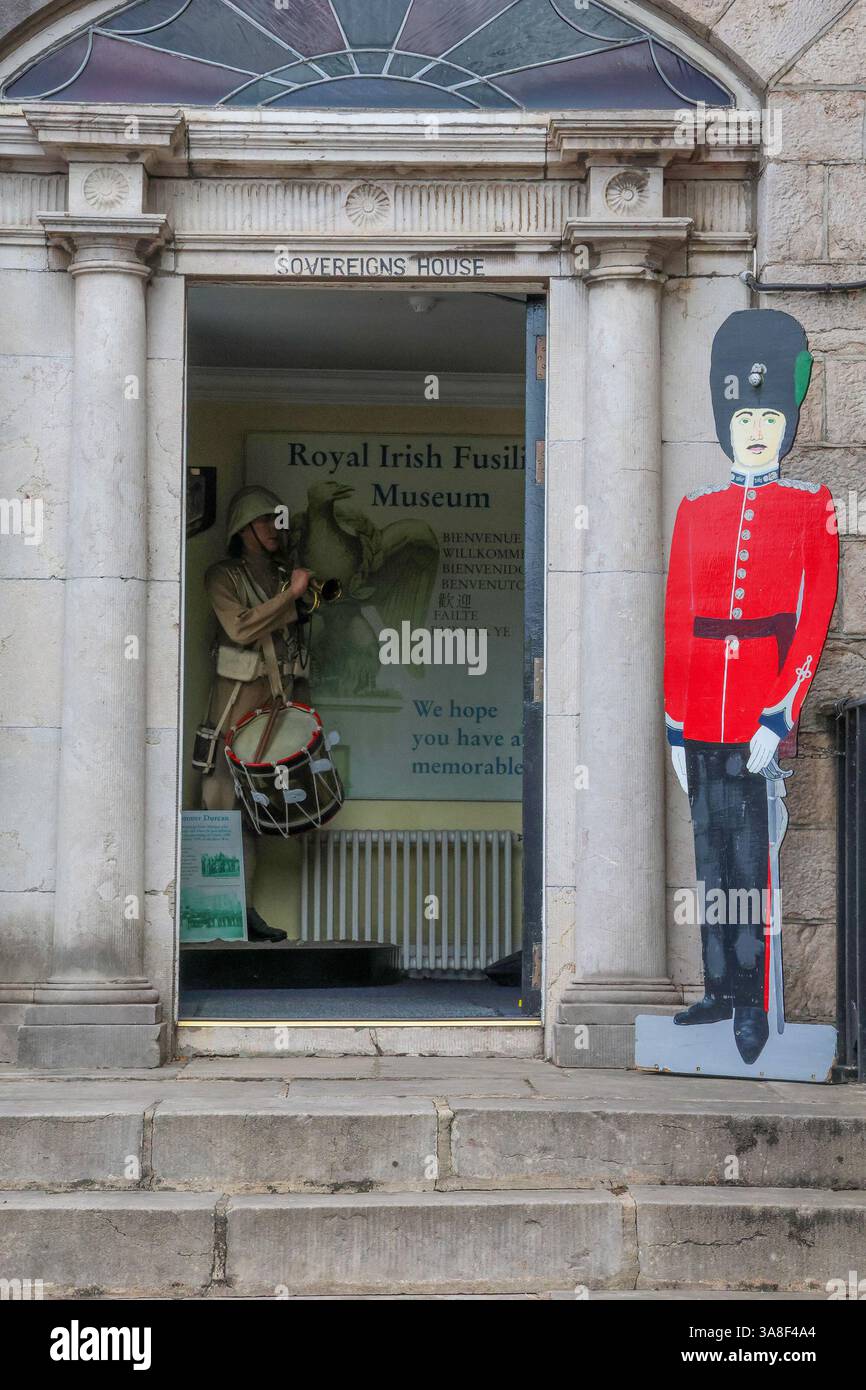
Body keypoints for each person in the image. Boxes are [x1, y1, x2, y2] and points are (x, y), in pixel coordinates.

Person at [664, 310, 838, 1064]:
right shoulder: (697, 510)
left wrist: (779, 714)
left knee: (753, 859)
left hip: (760, 705)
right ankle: (718, 986)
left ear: (786, 423)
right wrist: (675, 723)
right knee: (711, 856)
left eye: (770, 418)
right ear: (725, 424)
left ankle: (752, 1005)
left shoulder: (809, 507)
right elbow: (678, 619)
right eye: (745, 419)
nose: (758, 431)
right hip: (701, 705)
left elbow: (813, 615)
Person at [199, 486, 311, 942]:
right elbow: (240, 627)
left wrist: (298, 595)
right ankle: (220, 912)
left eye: (274, 520)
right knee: (223, 807)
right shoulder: (222, 575)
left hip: (276, 707)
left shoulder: (282, 574)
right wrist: (292, 597)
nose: (272, 529)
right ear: (243, 528)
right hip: (236, 709)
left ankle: (244, 911)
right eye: (264, 521)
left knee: (256, 814)